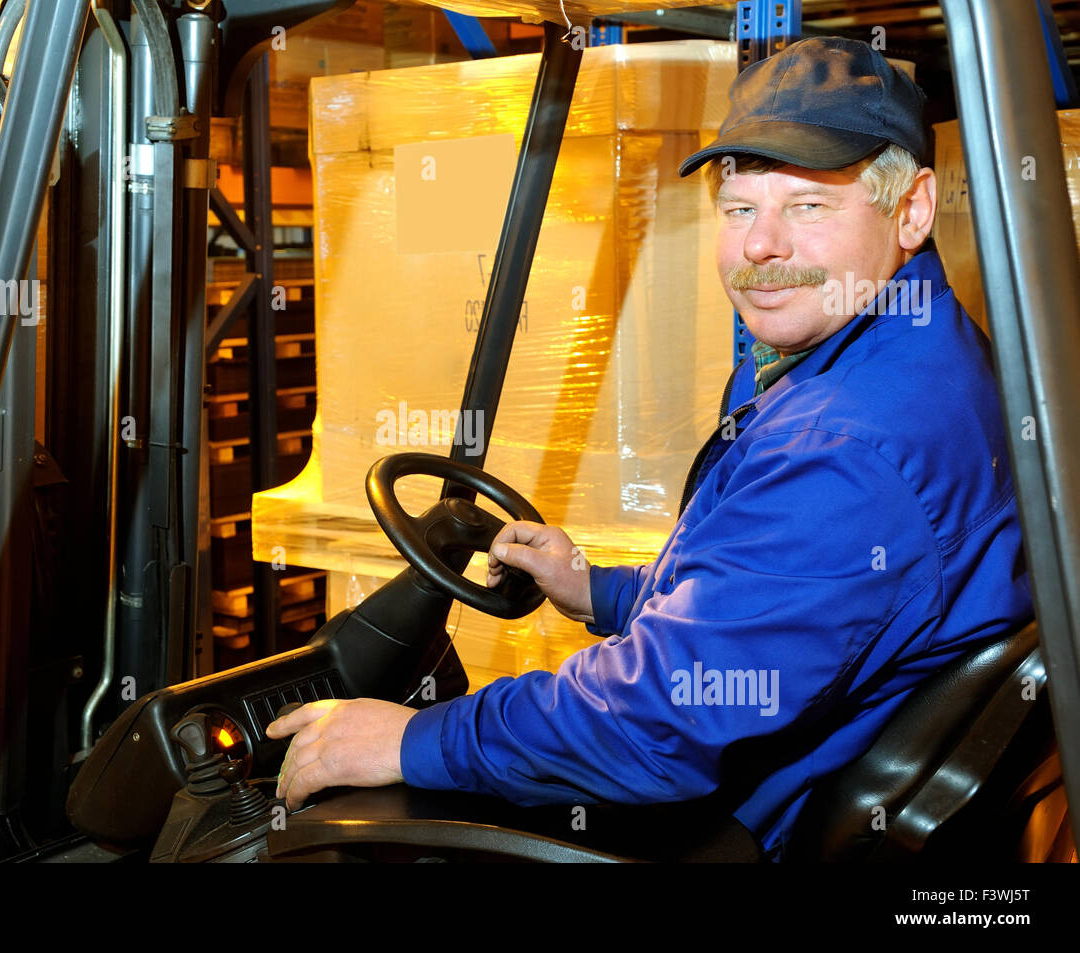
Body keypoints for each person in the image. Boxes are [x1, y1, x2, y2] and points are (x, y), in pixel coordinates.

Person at [265, 36, 1034, 861]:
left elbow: (659, 718)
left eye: (808, 207)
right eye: (740, 209)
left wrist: (413, 740)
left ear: (912, 210)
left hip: (727, 827)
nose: (760, 247)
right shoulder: (904, 352)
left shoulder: (847, 446)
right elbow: (772, 606)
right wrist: (596, 589)